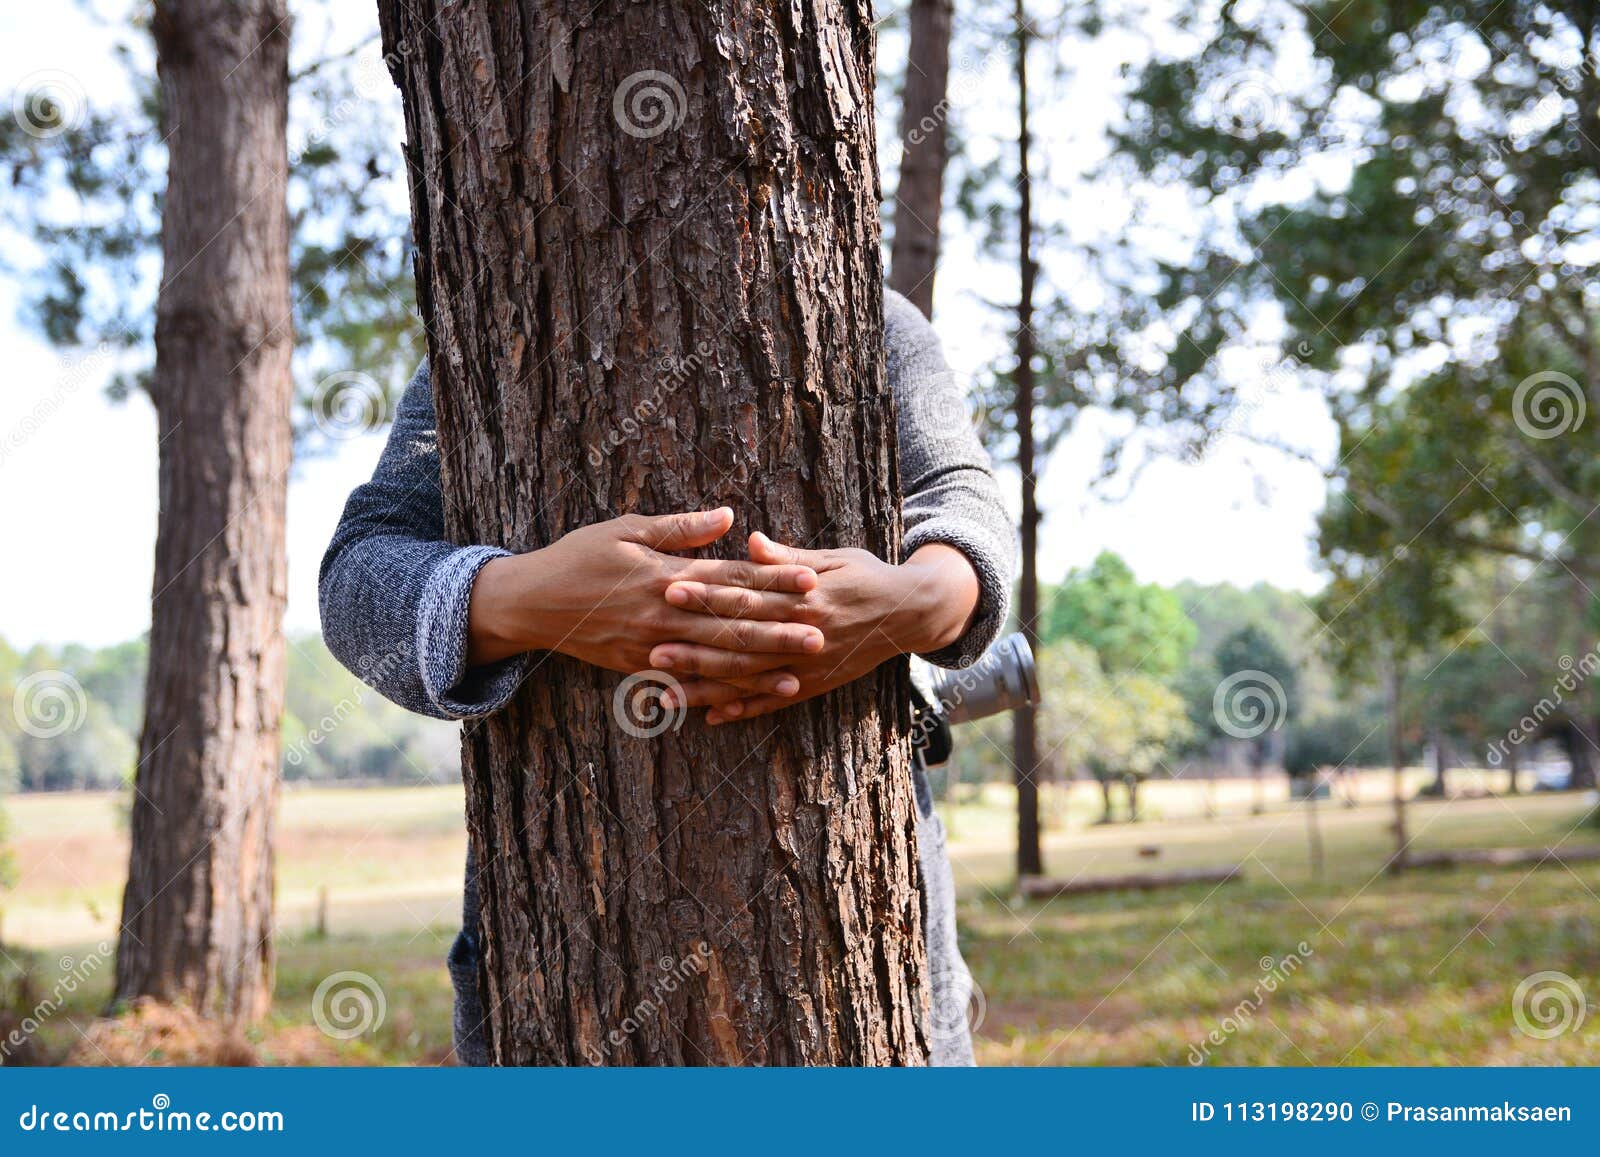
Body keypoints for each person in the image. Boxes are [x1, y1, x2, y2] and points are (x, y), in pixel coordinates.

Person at [319, 289, 1015, 1065]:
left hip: (876, 917)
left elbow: (966, 500)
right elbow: (356, 578)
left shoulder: (869, 312)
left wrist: (921, 601)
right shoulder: (486, 326)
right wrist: (525, 599)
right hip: (555, 935)